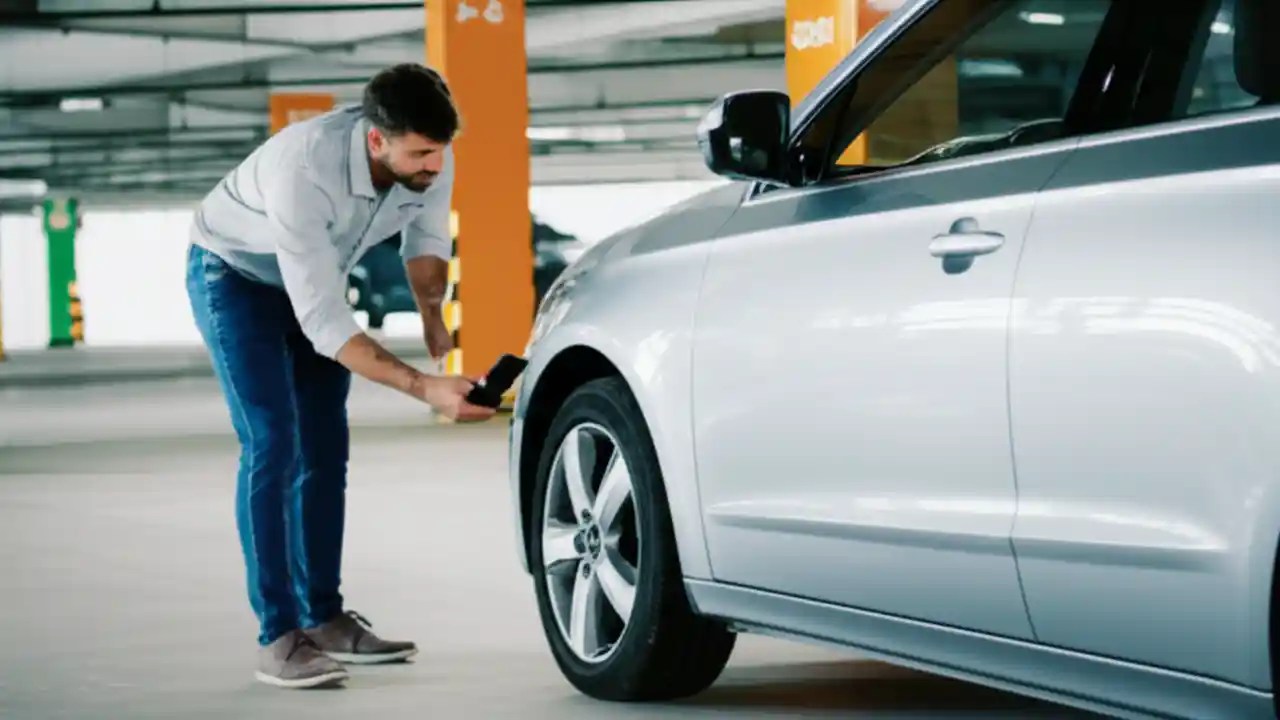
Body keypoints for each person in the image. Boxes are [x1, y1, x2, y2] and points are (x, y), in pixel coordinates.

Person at [184, 63, 495, 690]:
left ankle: (323, 617)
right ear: (377, 140)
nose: (434, 166)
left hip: (309, 279)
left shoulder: (431, 152)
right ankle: (278, 636)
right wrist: (424, 386)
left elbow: (426, 236)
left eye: (439, 152)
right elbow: (325, 323)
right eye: (420, 154)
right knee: (274, 442)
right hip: (234, 276)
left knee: (327, 447)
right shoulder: (304, 170)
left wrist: (435, 319)